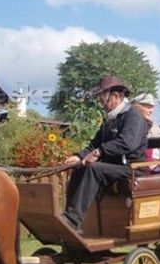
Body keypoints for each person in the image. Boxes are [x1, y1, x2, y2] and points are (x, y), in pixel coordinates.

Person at [62, 76, 148, 234]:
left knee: (93, 169)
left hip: (132, 169)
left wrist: (99, 152)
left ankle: (72, 221)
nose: (100, 102)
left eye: (102, 97)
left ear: (115, 96)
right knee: (79, 169)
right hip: (113, 168)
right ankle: (69, 218)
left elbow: (127, 143)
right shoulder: (110, 120)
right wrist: (79, 157)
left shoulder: (133, 117)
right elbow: (94, 143)